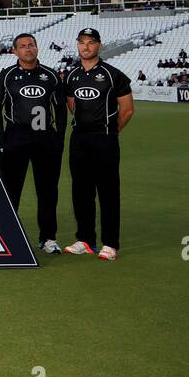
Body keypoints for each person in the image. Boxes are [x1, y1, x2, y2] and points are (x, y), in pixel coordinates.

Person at [63, 27, 134, 260]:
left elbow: (127, 110)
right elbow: (72, 105)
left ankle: (110, 243)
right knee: (81, 191)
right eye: (81, 42)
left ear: (99, 46)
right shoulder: (72, 75)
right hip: (79, 140)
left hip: (105, 140)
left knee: (108, 193)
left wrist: (110, 132)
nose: (86, 46)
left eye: (91, 42)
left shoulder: (114, 75)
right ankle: (85, 239)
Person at [0, 33, 66, 254]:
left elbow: (60, 110)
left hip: (44, 137)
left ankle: (48, 238)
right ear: (14, 51)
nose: (28, 49)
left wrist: (59, 138)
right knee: (11, 191)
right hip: (16, 137)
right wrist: (2, 137)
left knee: (47, 191)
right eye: (22, 46)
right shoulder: (7, 76)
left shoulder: (50, 76)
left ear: (37, 48)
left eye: (31, 45)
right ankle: (8, 237)